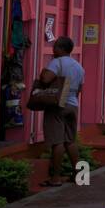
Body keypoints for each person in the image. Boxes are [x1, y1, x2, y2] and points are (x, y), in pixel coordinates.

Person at [38, 36, 85, 186]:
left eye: (55, 46)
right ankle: (79, 175)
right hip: (73, 104)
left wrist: (44, 71)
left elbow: (46, 79)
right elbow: (79, 89)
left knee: (57, 142)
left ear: (60, 48)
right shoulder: (78, 66)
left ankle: (55, 178)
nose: (53, 49)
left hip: (58, 104)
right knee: (70, 141)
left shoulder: (56, 63)